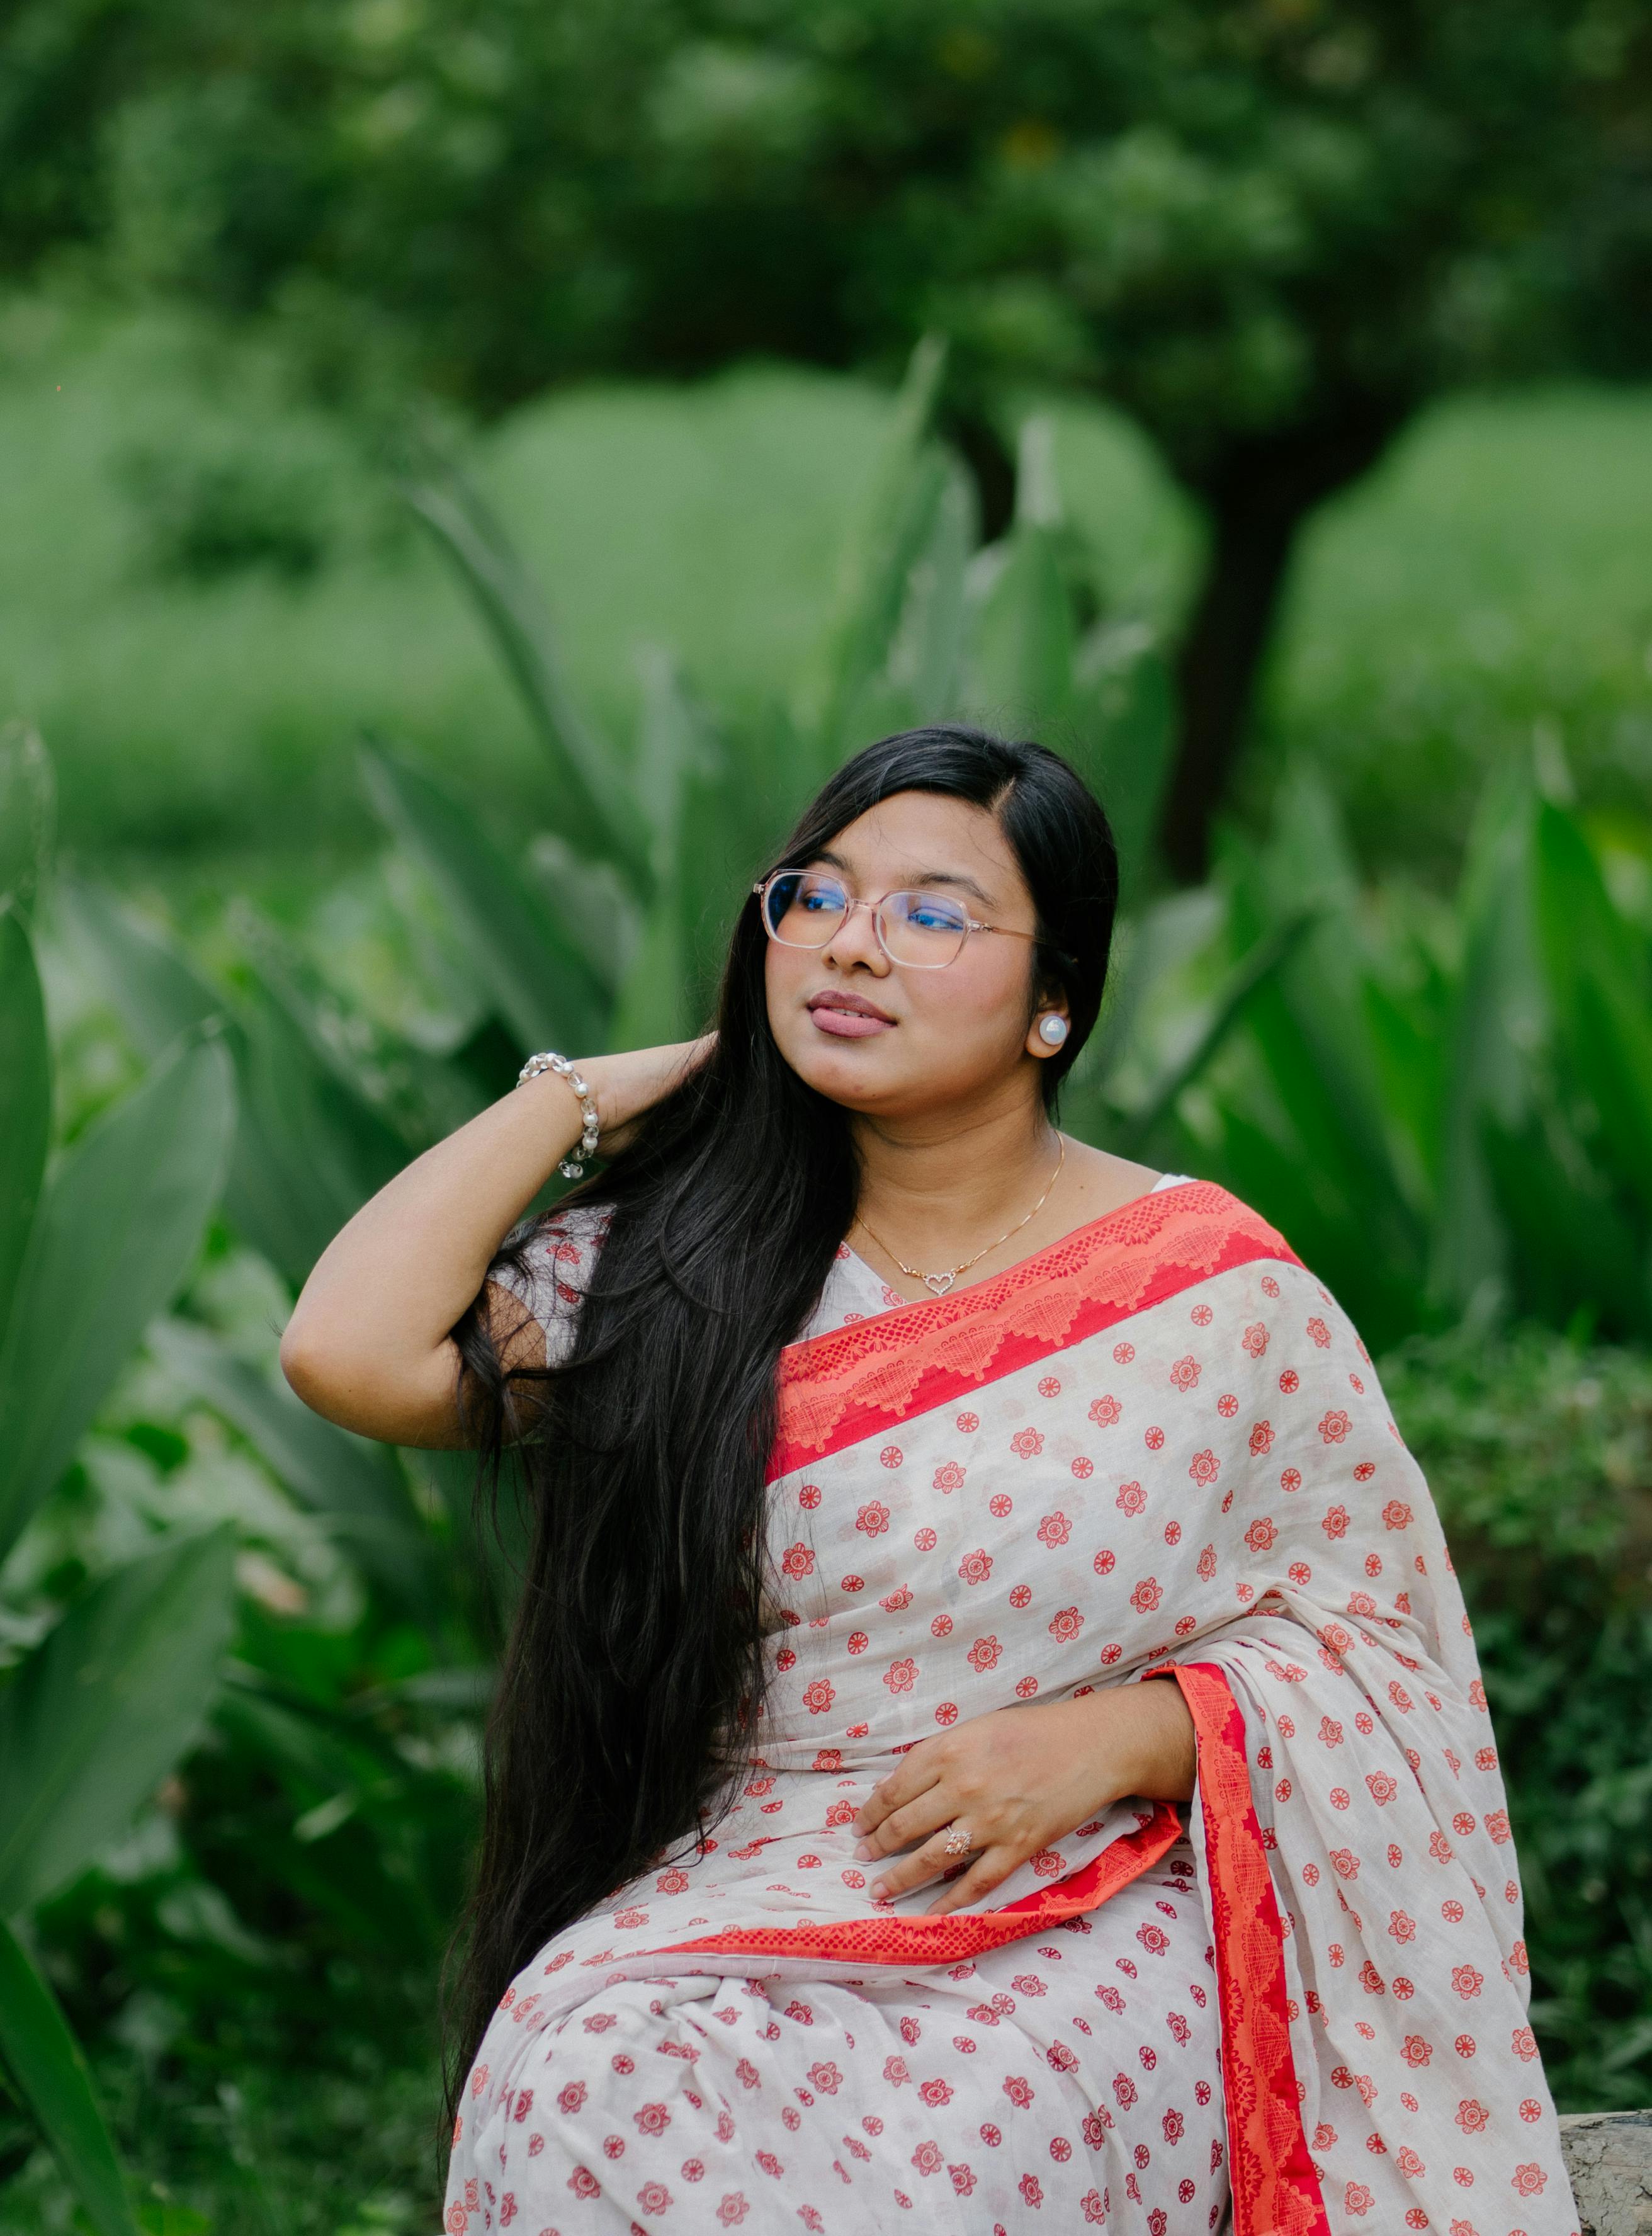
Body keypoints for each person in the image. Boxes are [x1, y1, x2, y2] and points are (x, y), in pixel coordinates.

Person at [281, 725, 1575, 2236]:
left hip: (1092, 1896)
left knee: (959, 2140)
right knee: (579, 2071)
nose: (854, 950)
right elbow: (346, 1350)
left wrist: (1126, 1737)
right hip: (738, 1895)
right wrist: (603, 1095)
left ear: (1053, 1007)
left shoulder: (1206, 1289)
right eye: (814, 902)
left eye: (933, 915)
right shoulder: (682, 1272)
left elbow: (1382, 1662)